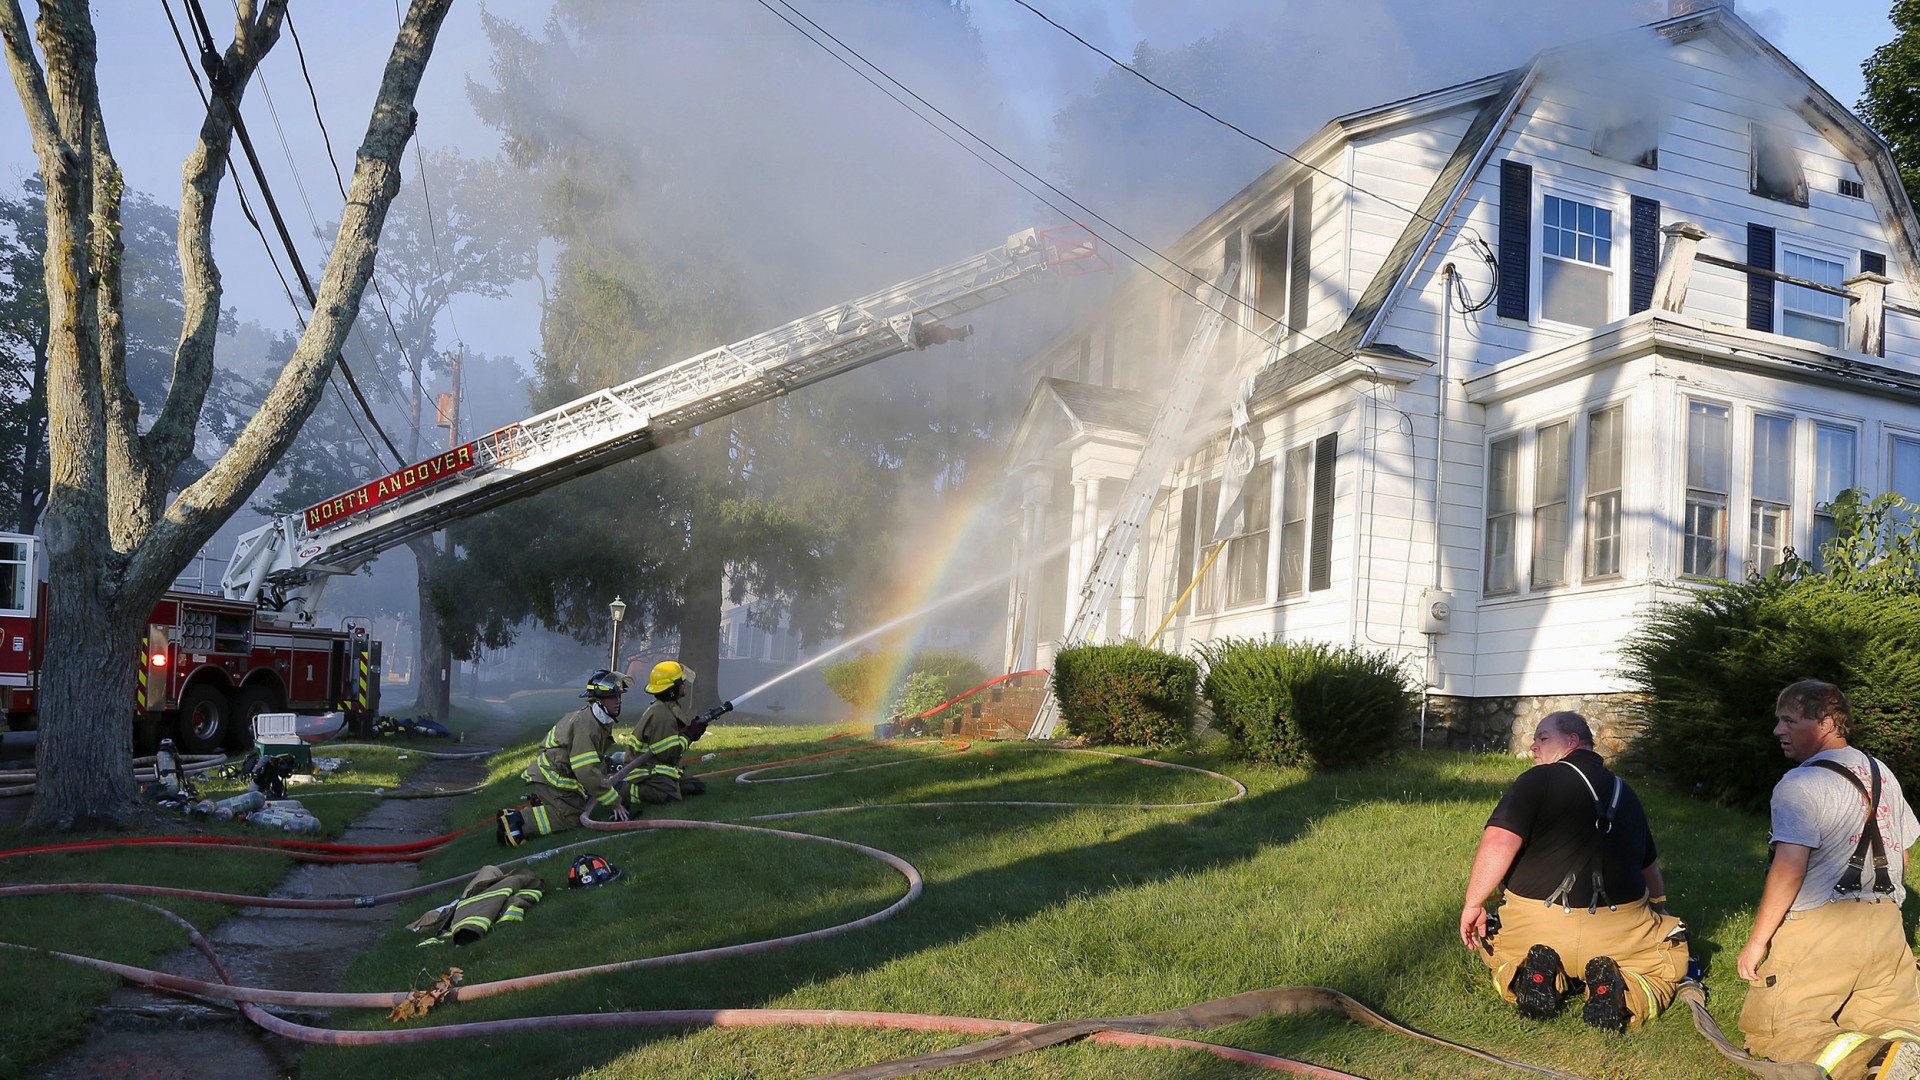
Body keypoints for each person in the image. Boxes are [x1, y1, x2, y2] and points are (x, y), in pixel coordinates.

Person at [1459, 711, 1690, 1032]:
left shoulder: (1536, 780)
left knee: (1500, 956)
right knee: (1658, 973)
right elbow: (1648, 865)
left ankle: (1533, 975)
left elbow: (1499, 840)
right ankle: (1623, 991)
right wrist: (1660, 910)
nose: (1533, 745)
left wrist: (1473, 904)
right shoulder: (1627, 793)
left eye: (1543, 737)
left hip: (1536, 926)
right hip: (1620, 934)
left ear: (1572, 741)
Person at [1737, 680, 1920, 1080]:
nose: (1777, 731)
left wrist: (1756, 943)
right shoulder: (1881, 772)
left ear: (1824, 723)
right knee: (1895, 1020)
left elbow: (1788, 870)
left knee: (1776, 1030)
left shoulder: (1799, 784)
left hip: (1823, 929)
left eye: (1788, 721)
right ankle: (1900, 1054)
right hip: (1887, 924)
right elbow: (1901, 853)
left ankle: (1872, 1063)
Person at [496, 669, 633, 845]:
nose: (618, 701)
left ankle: (543, 805)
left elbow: (590, 760)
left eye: (619, 697)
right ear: (598, 700)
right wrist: (614, 802)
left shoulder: (596, 720)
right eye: (613, 697)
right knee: (571, 818)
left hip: (561, 772)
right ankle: (516, 821)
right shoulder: (587, 726)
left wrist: (607, 768)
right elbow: (585, 771)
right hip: (552, 775)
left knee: (578, 805)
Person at [611, 660, 712, 804]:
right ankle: (626, 790)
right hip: (645, 773)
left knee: (696, 787)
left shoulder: (666, 708)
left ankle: (667, 785)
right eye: (681, 682)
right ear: (672, 690)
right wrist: (689, 736)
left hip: (657, 767)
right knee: (671, 798)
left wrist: (690, 731)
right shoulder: (662, 715)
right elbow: (668, 754)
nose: (684, 685)